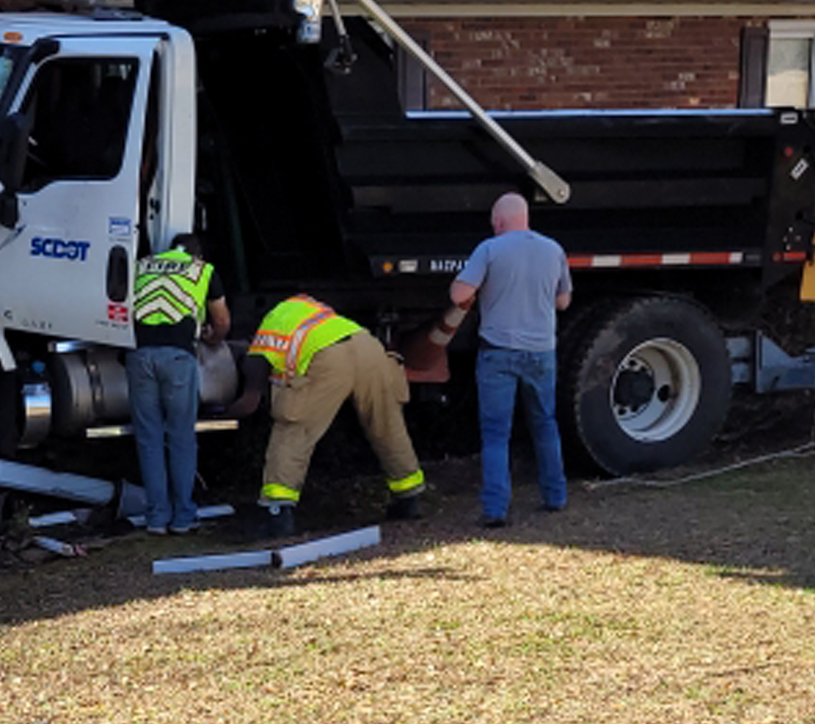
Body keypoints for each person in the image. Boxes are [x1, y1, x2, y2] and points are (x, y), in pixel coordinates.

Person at [226, 294, 425, 538]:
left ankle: (278, 513)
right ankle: (409, 498)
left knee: (294, 429)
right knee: (387, 425)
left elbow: (251, 398)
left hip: (327, 359)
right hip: (370, 348)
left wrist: (224, 412)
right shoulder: (313, 310)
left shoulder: (268, 330)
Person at [451, 191, 571, 529]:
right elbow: (563, 301)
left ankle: (495, 508)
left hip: (498, 352)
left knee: (495, 433)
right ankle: (555, 496)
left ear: (499, 221)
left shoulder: (489, 249)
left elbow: (460, 294)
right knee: (545, 423)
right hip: (542, 352)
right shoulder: (553, 249)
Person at [128, 233, 229, 534]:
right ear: (197, 255)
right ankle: (183, 516)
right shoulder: (203, 271)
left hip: (139, 353)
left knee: (149, 438)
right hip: (177, 357)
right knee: (181, 436)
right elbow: (222, 321)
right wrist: (213, 338)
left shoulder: (142, 265)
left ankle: (157, 518)